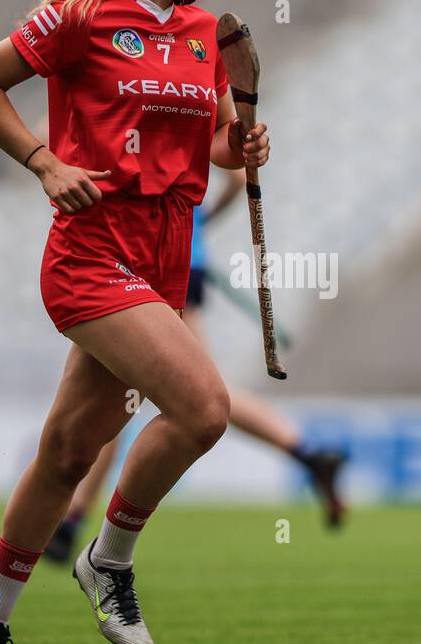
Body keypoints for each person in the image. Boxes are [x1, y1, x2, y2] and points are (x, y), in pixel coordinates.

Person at [0, 0, 266, 644]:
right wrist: (44, 161)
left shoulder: (200, 30)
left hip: (162, 256)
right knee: (203, 410)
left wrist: (245, 149)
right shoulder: (78, 17)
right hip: (92, 255)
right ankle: (110, 559)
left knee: (65, 454)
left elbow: (220, 142)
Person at [43, 170, 347, 566]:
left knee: (172, 394)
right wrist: (200, 222)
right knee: (165, 391)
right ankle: (306, 451)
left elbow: (50, 136)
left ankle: (73, 521)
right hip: (177, 261)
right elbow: (238, 177)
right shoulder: (187, 114)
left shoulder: (147, 113)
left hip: (145, 263)